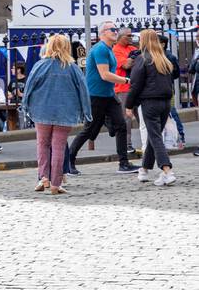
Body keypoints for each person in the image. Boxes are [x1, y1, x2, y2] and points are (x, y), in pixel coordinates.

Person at [21, 34, 90, 196]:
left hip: (41, 110)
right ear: (67, 47)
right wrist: (86, 112)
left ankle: (43, 177)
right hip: (65, 112)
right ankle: (56, 184)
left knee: (42, 144)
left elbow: (29, 86)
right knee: (58, 147)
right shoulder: (72, 68)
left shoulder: (40, 65)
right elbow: (83, 90)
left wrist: (25, 106)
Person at [68, 21, 137, 174]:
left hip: (108, 95)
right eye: (112, 29)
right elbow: (104, 75)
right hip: (95, 96)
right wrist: (127, 80)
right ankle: (69, 161)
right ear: (103, 33)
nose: (115, 31)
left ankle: (123, 163)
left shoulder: (109, 49)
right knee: (90, 131)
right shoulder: (100, 49)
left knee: (121, 126)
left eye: (116, 29)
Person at [125, 29, 180, 187]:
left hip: (150, 103)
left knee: (155, 137)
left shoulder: (143, 60)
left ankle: (167, 170)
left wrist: (129, 105)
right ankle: (144, 169)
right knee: (153, 136)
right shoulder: (164, 59)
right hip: (165, 103)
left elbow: (135, 85)